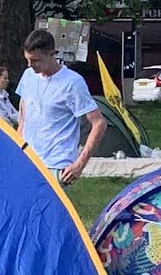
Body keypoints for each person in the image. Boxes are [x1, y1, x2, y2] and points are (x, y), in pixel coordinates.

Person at [16, 28, 105, 183]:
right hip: (28, 161)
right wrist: (17, 151)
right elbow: (23, 117)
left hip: (57, 165)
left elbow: (99, 123)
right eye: (27, 60)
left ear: (52, 54)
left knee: (46, 207)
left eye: (36, 60)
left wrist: (79, 164)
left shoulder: (72, 83)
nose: (30, 65)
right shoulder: (28, 76)